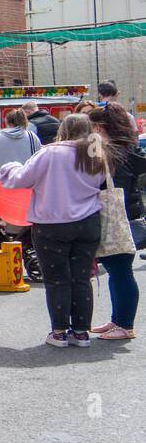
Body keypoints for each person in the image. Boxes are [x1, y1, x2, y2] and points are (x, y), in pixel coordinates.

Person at [0, 114, 106, 347]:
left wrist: (11, 166)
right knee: (81, 278)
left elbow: (20, 179)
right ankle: (81, 333)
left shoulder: (51, 152)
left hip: (52, 224)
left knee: (57, 279)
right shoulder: (96, 153)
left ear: (63, 129)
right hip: (88, 222)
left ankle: (59, 333)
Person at [88, 103, 146, 340]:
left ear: (100, 127)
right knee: (117, 271)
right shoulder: (128, 149)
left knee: (120, 271)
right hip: (129, 215)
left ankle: (125, 325)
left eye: (91, 126)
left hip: (115, 217)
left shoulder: (105, 150)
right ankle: (118, 320)